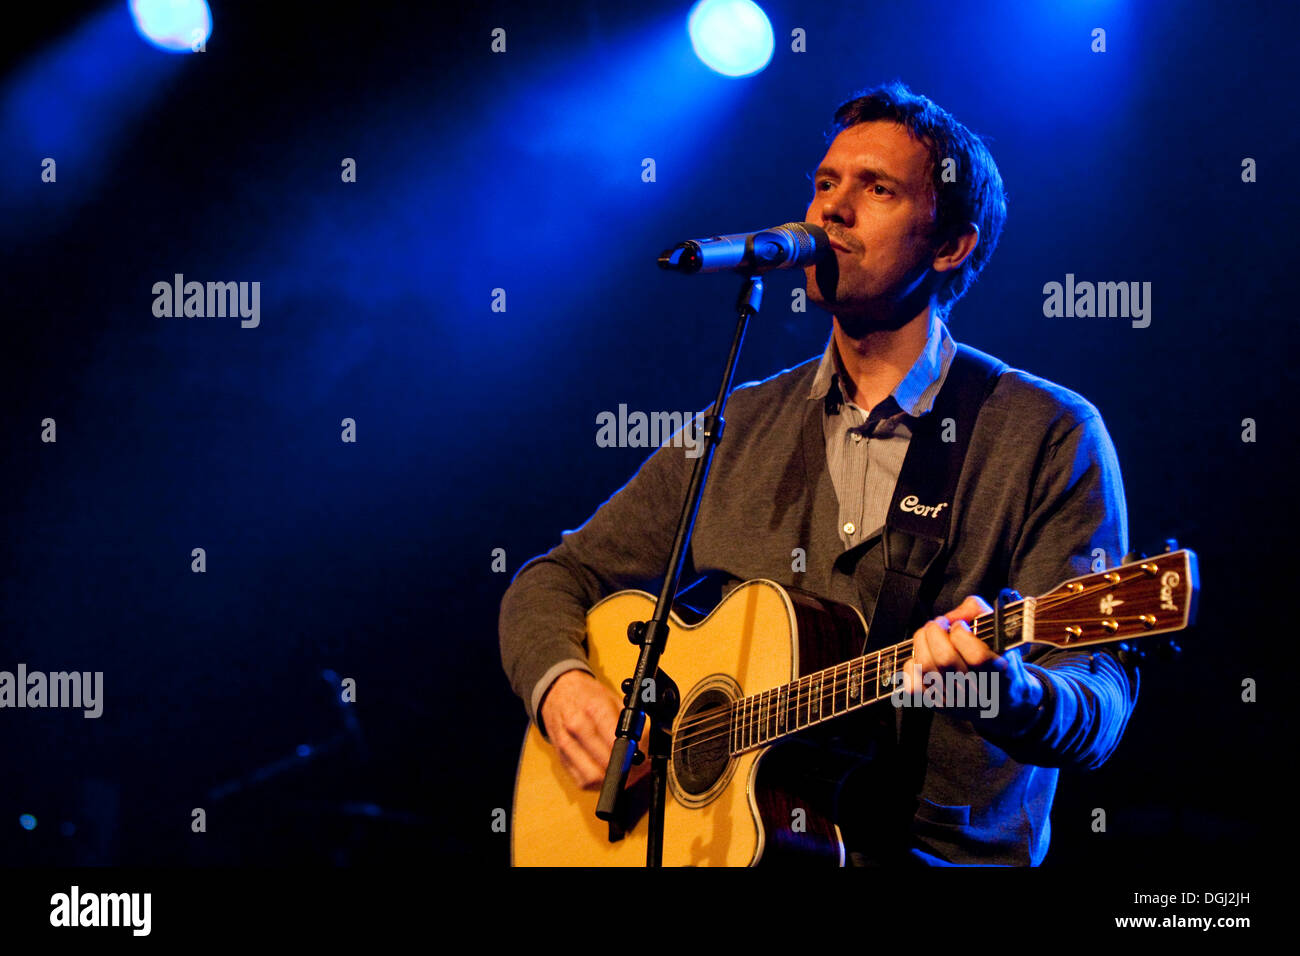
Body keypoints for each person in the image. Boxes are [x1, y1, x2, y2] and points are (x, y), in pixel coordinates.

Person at [499, 81, 1137, 866]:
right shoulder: (739, 426)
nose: (831, 209)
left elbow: (1098, 697)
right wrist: (565, 686)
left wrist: (1010, 693)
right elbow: (551, 579)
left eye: (877, 189)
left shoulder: (1046, 433)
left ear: (951, 246)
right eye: (825, 183)